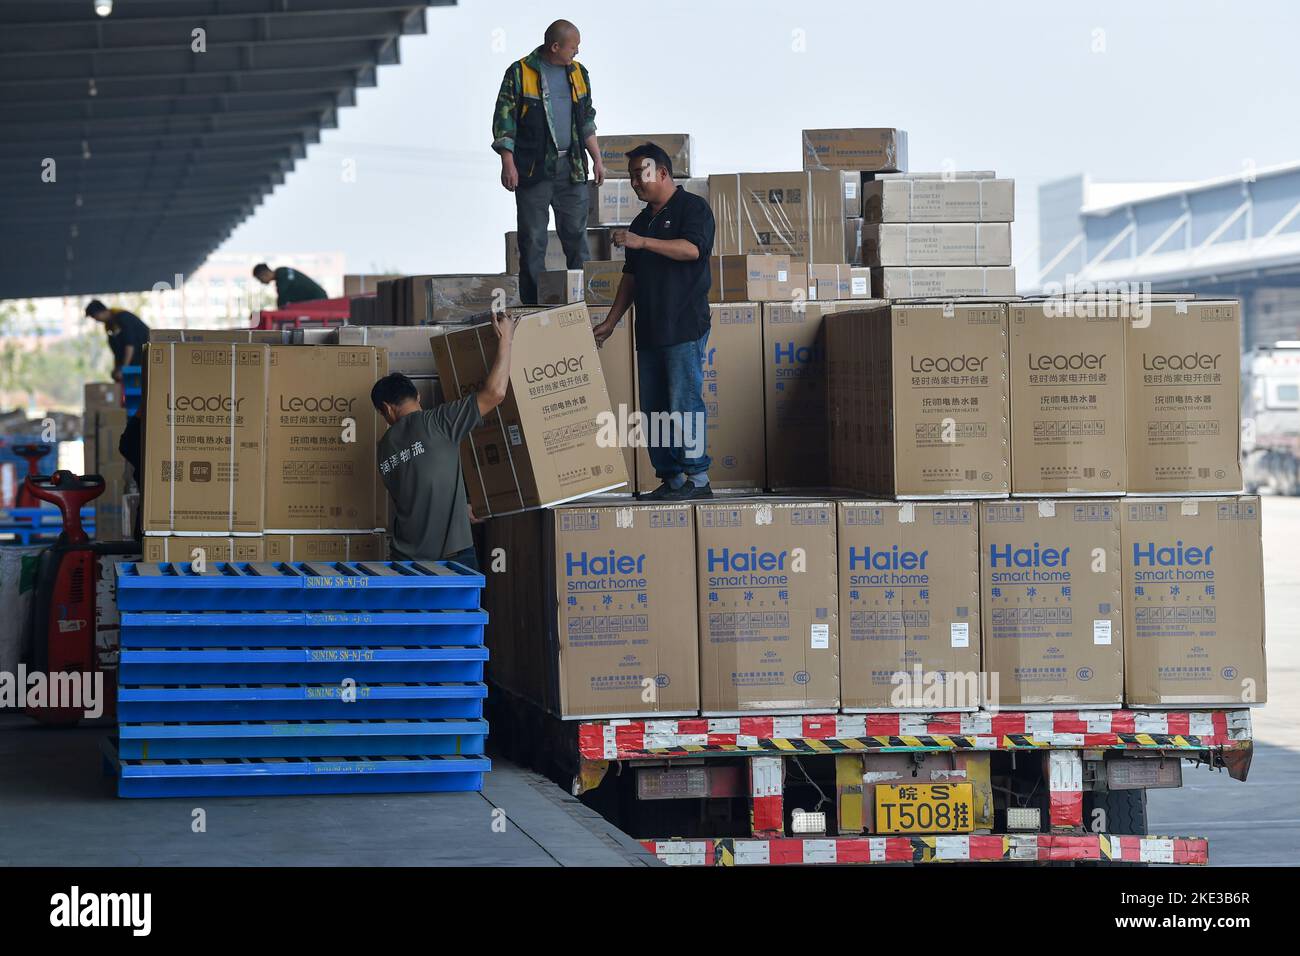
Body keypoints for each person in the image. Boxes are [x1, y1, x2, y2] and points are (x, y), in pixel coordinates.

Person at [593, 142, 716, 501]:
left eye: (639, 174)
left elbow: (693, 250)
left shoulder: (693, 208)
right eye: (630, 176)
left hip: (683, 324)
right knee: (654, 410)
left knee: (683, 401)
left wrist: (642, 242)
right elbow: (630, 278)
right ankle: (672, 479)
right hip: (648, 329)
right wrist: (612, 321)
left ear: (662, 172)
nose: (634, 182)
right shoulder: (641, 220)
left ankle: (698, 478)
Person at [370, 310, 517, 569]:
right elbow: (495, 393)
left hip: (406, 563)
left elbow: (420, 492)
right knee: (464, 611)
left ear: (387, 409)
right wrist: (506, 340)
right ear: (418, 397)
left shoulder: (383, 449)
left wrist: (460, 509)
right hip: (452, 558)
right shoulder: (438, 422)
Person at [492, 18, 603, 305]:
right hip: (533, 171)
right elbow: (504, 119)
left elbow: (587, 119)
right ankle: (533, 307)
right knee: (533, 243)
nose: (576, 53)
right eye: (572, 47)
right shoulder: (520, 72)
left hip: (572, 170)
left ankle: (583, 303)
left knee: (577, 239)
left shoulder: (579, 74)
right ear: (555, 46)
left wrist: (598, 159)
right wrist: (508, 162)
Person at [84, 299, 150, 382]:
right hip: (132, 363)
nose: (96, 320)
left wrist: (124, 369)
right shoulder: (109, 326)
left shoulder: (122, 317)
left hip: (143, 359)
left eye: (95, 317)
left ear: (100, 312)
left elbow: (129, 345)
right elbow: (117, 352)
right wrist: (117, 368)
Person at [252, 263, 328, 308]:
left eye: (260, 279)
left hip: (318, 300)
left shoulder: (282, 276)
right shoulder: (283, 271)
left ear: (264, 274)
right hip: (319, 298)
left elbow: (282, 300)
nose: (261, 282)